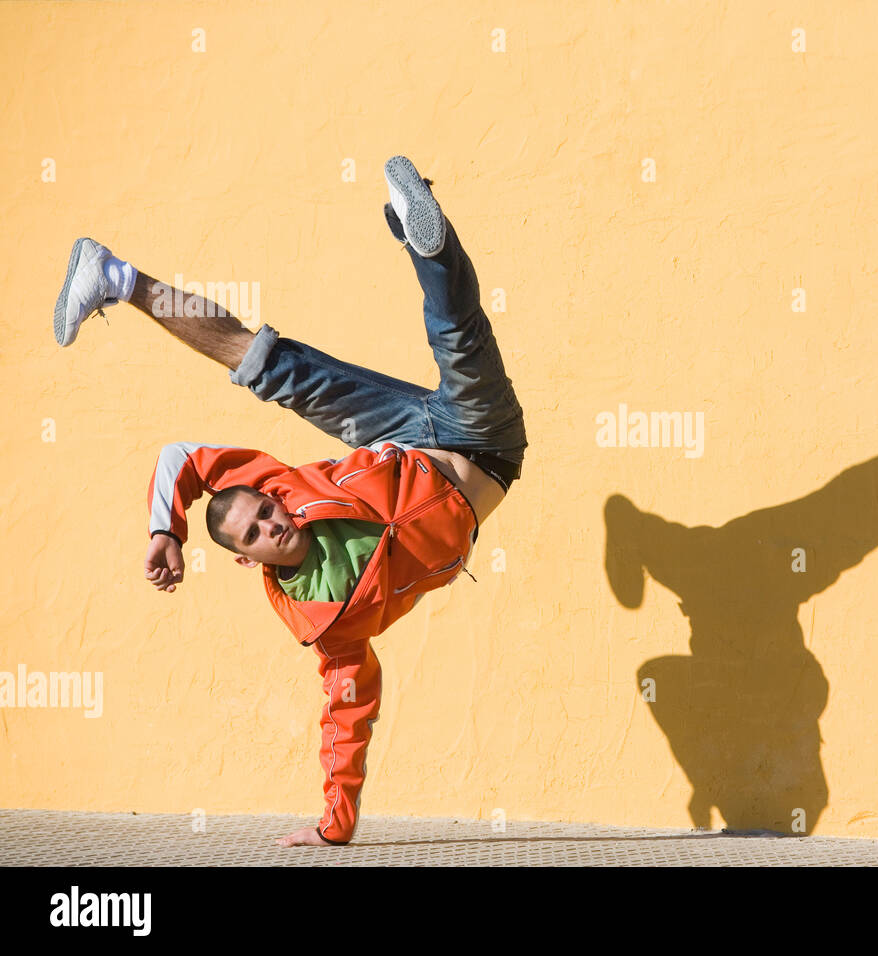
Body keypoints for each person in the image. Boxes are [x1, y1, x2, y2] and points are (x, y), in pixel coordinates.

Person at [52, 156, 528, 847]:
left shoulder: (278, 486)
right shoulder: (323, 619)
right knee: (460, 340)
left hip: (394, 438)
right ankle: (420, 238)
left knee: (260, 365)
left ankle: (116, 277)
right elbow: (346, 714)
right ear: (249, 561)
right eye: (256, 531)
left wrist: (167, 528)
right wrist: (335, 827)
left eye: (266, 510)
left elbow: (183, 458)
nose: (274, 520)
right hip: (485, 449)